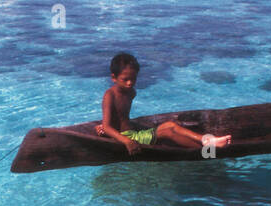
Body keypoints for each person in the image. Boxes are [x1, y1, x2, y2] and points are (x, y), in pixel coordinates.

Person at [96, 53, 231, 155]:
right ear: (114, 78)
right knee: (168, 132)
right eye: (125, 79)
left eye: (133, 78)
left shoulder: (131, 92)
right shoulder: (110, 95)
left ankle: (205, 140)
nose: (130, 83)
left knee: (170, 125)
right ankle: (204, 151)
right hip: (128, 137)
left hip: (133, 133)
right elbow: (108, 126)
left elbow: (121, 118)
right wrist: (126, 141)